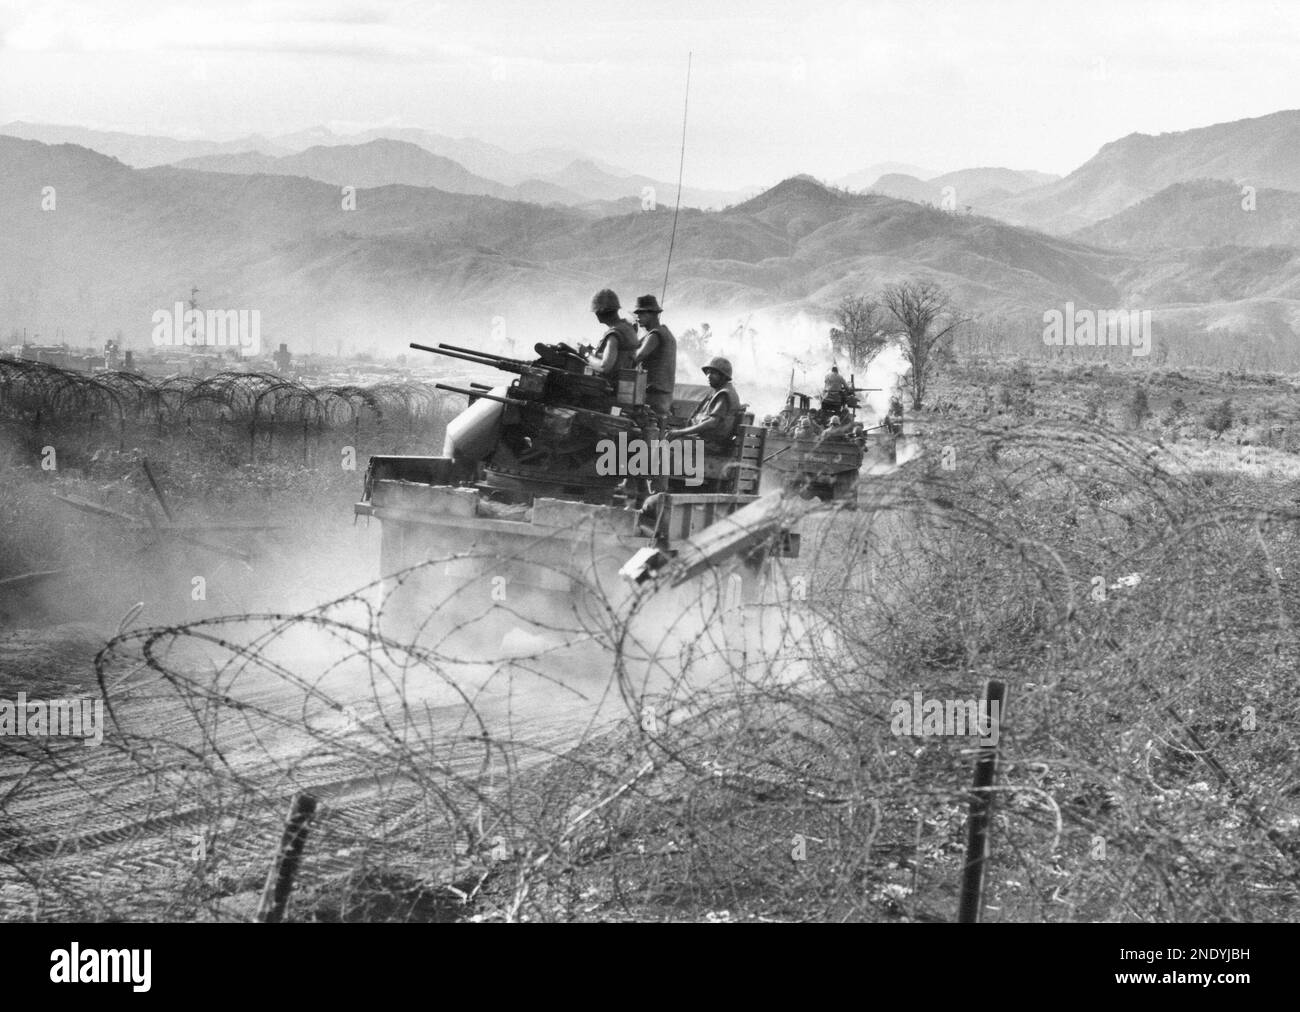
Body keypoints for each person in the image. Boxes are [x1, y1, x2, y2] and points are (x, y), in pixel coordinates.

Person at [665, 357, 741, 448]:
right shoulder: (723, 392)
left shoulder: (724, 394)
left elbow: (712, 422)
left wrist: (680, 432)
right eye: (708, 372)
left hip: (711, 444)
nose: (708, 376)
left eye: (713, 373)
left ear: (723, 376)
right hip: (708, 440)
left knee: (672, 442)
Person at [631, 295, 677, 421]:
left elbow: (636, 357)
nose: (637, 317)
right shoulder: (664, 333)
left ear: (652, 314)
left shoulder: (655, 335)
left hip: (654, 397)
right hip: (662, 396)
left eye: (641, 313)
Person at [589, 289, 638, 377]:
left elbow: (605, 367)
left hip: (608, 385)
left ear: (600, 312)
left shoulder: (614, 334)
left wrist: (586, 355)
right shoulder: (628, 328)